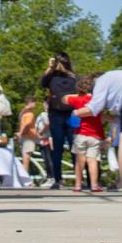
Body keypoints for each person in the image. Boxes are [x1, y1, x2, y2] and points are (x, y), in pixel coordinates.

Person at [63, 76, 106, 193]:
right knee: (92, 161)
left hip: (80, 134)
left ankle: (77, 184)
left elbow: (64, 99)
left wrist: (77, 95)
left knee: (79, 160)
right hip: (95, 134)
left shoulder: (77, 100)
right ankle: (94, 185)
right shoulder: (97, 100)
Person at [40, 53, 77, 188]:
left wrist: (66, 69)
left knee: (75, 146)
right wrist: (50, 68)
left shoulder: (73, 76)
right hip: (56, 114)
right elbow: (42, 82)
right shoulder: (51, 76)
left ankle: (78, 178)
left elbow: (79, 89)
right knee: (57, 147)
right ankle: (57, 179)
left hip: (72, 114)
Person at [16, 99, 44, 180]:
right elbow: (26, 124)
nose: (35, 104)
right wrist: (20, 133)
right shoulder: (30, 114)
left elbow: (21, 120)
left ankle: (24, 177)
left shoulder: (23, 113)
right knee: (26, 157)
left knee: (25, 156)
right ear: (30, 103)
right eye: (34, 102)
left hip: (26, 137)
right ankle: (25, 178)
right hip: (29, 137)